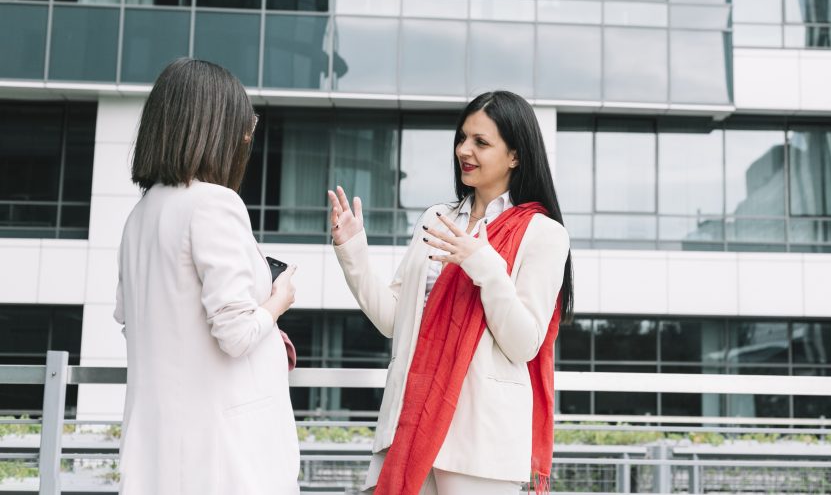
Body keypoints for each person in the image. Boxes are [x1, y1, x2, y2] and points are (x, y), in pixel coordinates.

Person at [329, 90, 573, 495]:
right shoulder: (436, 219)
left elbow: (523, 342)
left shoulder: (543, 234)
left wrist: (484, 264)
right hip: (411, 420)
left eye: (481, 142)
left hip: (481, 441)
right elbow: (394, 319)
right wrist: (353, 251)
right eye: (462, 138)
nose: (464, 150)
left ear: (515, 155)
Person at [114, 58, 300, 494]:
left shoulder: (140, 214)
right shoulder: (215, 204)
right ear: (213, 127)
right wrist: (277, 301)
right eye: (244, 122)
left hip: (159, 447)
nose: (247, 135)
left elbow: (131, 319)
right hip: (223, 452)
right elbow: (234, 334)